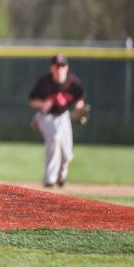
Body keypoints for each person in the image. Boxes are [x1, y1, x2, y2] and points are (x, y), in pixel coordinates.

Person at [27, 54, 87, 188]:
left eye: (62, 66)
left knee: (66, 153)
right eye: (56, 66)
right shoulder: (44, 82)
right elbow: (31, 100)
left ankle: (61, 176)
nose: (59, 69)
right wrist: (42, 104)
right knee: (54, 139)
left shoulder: (72, 82)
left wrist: (79, 108)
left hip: (63, 116)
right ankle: (50, 179)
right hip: (45, 116)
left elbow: (80, 99)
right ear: (52, 68)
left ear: (67, 67)